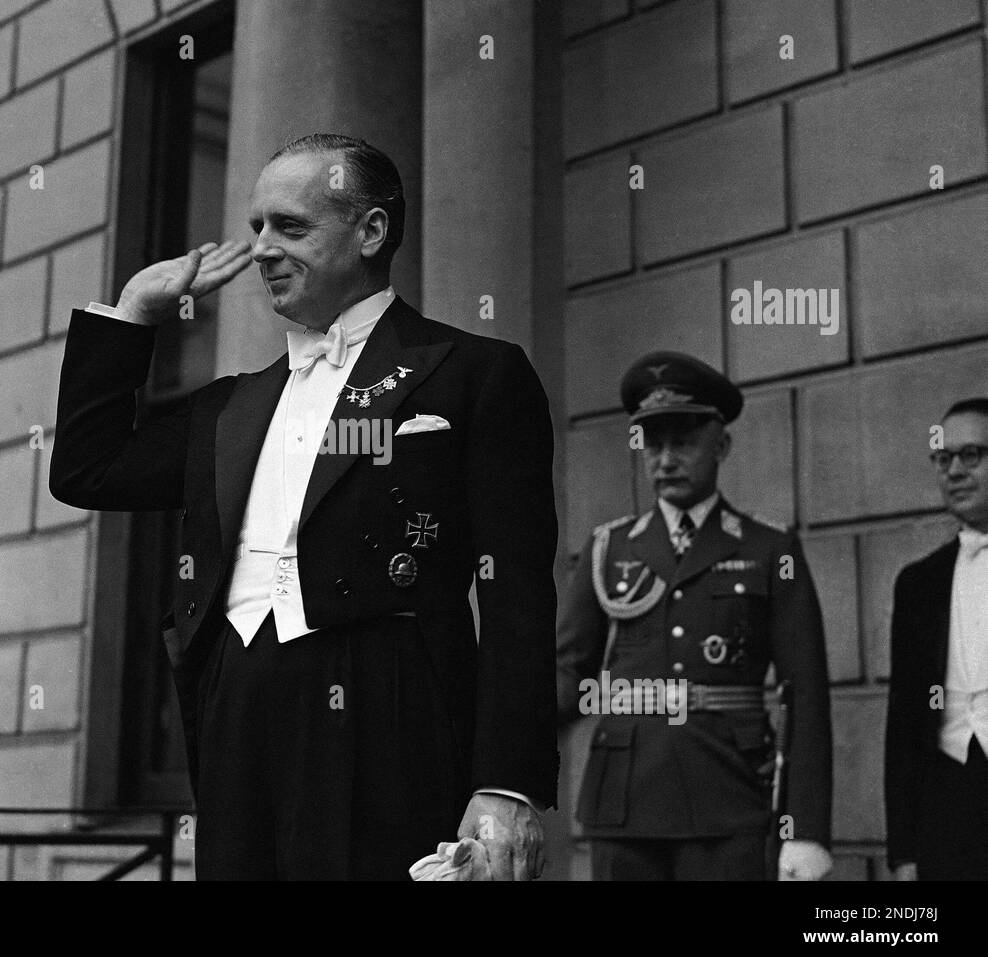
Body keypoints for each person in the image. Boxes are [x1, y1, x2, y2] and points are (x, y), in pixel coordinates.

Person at [52, 133, 558, 880]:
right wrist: (133, 316)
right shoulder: (232, 405)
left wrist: (505, 781)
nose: (261, 249)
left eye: (289, 227)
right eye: (256, 227)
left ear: (371, 231)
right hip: (238, 703)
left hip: (390, 706)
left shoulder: (474, 374)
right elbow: (88, 470)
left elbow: (515, 590)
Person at [556, 351, 833, 880]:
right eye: (653, 444)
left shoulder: (771, 549)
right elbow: (569, 675)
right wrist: (500, 765)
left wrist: (805, 829)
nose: (665, 459)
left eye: (682, 442)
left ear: (721, 445)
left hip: (727, 800)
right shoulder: (608, 549)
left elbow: (807, 697)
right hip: (627, 802)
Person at [886, 397, 988, 881]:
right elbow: (904, 723)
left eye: (972, 456)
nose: (955, 471)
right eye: (943, 458)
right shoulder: (919, 584)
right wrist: (905, 853)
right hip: (949, 805)